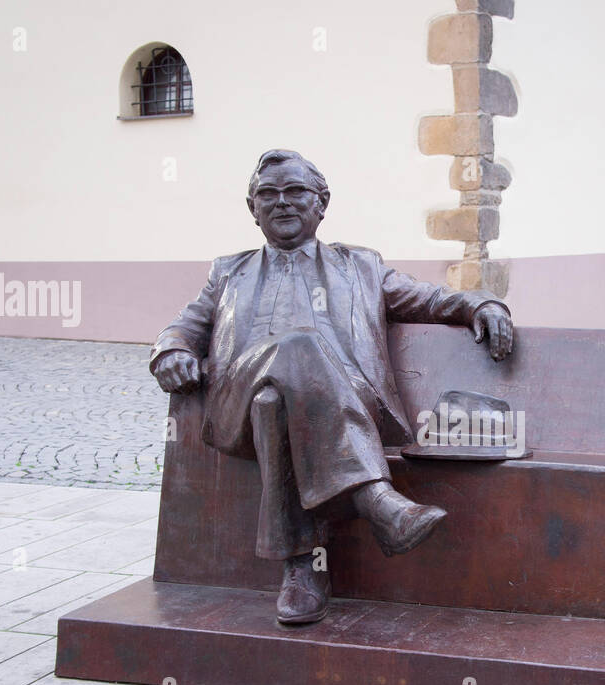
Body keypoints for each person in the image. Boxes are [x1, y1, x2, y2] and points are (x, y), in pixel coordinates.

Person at [150, 149, 514, 624]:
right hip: (236, 407)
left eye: (296, 191)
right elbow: (181, 329)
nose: (282, 203)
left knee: (274, 400)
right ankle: (376, 500)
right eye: (268, 194)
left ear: (321, 203)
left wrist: (482, 305)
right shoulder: (227, 273)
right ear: (252, 209)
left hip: (322, 407)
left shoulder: (361, 266)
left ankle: (302, 568)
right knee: (296, 349)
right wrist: (173, 353)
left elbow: (432, 298)